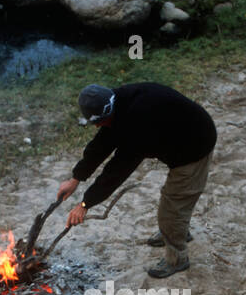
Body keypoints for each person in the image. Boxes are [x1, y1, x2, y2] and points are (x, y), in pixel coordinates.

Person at [59, 82, 216, 279]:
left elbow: (116, 171)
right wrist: (76, 178)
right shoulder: (119, 100)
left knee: (172, 207)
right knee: (172, 207)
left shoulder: (139, 123)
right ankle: (176, 231)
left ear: (108, 112)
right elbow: (102, 143)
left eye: (99, 122)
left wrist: (85, 203)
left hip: (194, 146)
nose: (98, 126)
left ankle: (177, 258)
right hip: (180, 134)